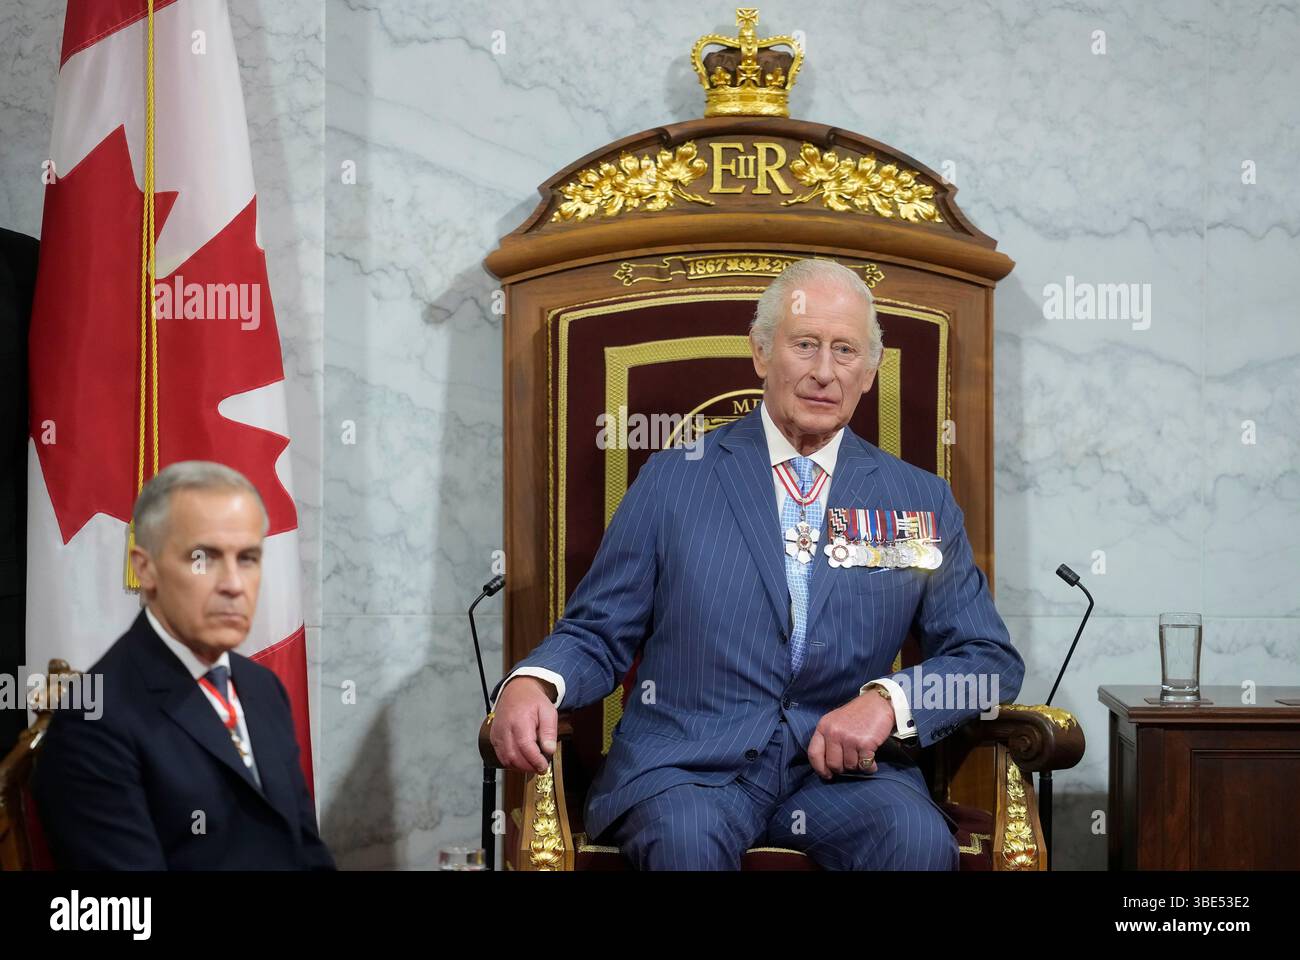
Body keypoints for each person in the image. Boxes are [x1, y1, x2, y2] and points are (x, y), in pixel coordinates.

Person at [490, 258, 1024, 870]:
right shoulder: (673, 480)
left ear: (870, 371)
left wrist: (889, 702)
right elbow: (597, 632)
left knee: (916, 841)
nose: (825, 372)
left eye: (845, 350)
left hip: (840, 778)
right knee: (685, 842)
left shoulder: (918, 499)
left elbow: (987, 661)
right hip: (689, 770)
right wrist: (536, 681)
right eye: (805, 345)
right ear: (761, 354)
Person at [34, 461, 334, 870]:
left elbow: (305, 853)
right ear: (146, 569)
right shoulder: (94, 721)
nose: (233, 584)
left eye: (248, 558)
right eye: (203, 557)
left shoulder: (262, 688)